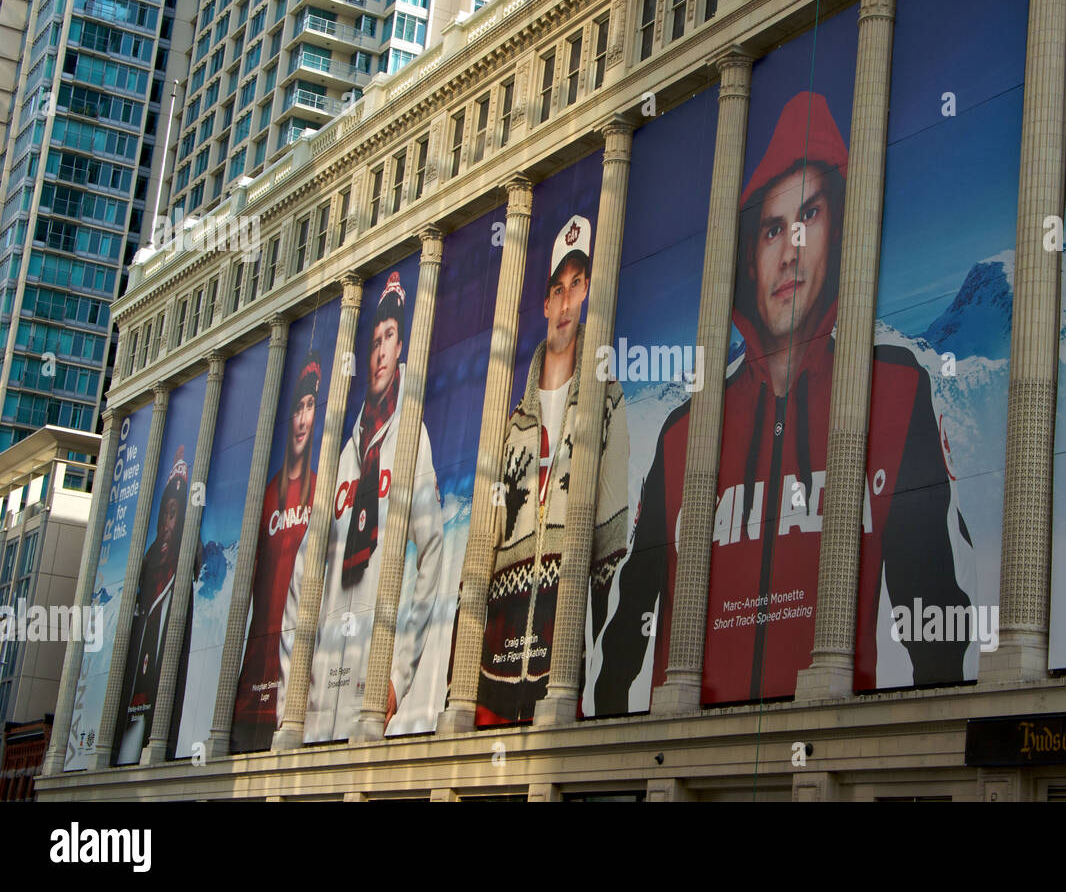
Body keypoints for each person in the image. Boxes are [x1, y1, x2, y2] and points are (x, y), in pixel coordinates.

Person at [594, 90, 972, 713]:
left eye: (811, 217)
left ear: (840, 231)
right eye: (774, 228)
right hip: (688, 745)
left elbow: (937, 598)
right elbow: (629, 614)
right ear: (748, 255)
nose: (791, 248)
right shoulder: (684, 432)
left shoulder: (897, 392)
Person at [477, 214, 629, 726]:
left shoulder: (606, 398)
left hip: (562, 657)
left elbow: (612, 541)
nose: (566, 303)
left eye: (577, 285)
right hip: (494, 660)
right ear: (545, 303)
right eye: (557, 289)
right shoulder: (511, 420)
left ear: (587, 292)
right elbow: (484, 539)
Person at [288, 271, 445, 742]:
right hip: (320, 710)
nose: (379, 352)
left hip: (374, 702)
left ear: (402, 347)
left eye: (389, 337)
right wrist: (293, 694)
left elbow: (433, 551)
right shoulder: (345, 453)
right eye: (374, 339)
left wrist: (399, 676)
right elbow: (305, 569)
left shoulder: (412, 437)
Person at [230, 353, 321, 752]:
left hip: (297, 690)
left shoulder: (323, 488)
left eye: (310, 407)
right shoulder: (265, 496)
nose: (302, 419)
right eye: (297, 408)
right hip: (252, 692)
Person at [115, 446, 193, 763]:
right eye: (163, 515)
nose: (165, 526)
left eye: (174, 515)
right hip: (127, 722)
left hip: (162, 733)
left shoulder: (185, 582)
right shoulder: (141, 584)